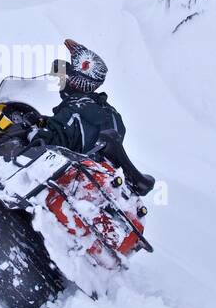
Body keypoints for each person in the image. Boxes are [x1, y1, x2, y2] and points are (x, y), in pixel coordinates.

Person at [29, 39, 154, 195]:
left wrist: (30, 131)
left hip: (67, 185)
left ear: (73, 82)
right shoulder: (113, 115)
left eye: (65, 76)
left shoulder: (71, 114)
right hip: (96, 181)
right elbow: (89, 135)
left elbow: (41, 145)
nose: (61, 80)